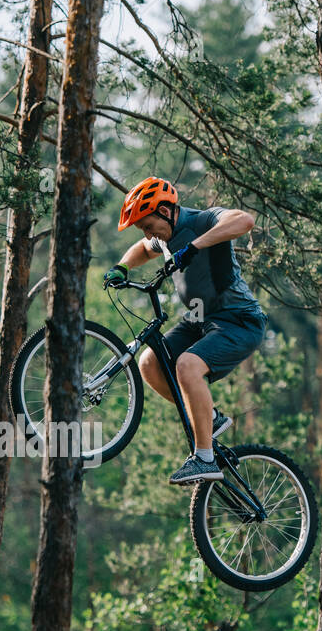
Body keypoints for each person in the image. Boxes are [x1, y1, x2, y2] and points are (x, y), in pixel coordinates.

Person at [104, 176, 267, 485]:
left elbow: (244, 220)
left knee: (187, 365)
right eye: (144, 229)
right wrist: (122, 266)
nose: (149, 233)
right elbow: (143, 248)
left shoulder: (202, 220)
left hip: (238, 320)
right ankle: (211, 418)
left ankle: (204, 457)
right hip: (199, 319)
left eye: (149, 225)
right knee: (150, 363)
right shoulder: (162, 237)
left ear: (166, 211)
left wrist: (195, 246)